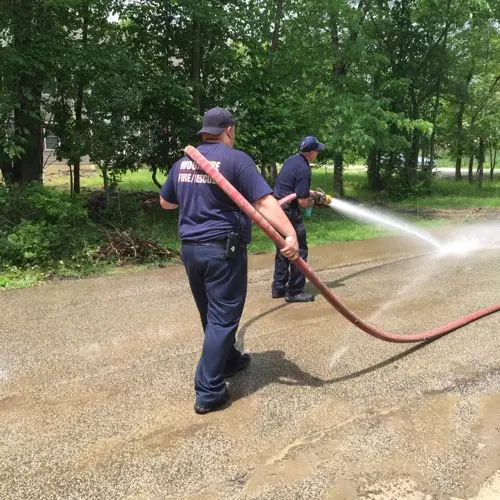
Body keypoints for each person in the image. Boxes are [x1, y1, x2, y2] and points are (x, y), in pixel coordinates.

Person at [159, 107, 299, 415]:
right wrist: (290, 234)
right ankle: (208, 390)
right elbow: (264, 202)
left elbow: (166, 202)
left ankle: (229, 359)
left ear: (204, 133)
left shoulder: (183, 162)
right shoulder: (237, 160)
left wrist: (195, 194)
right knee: (223, 317)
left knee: (210, 313)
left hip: (191, 250)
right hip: (223, 250)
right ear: (230, 131)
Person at [271, 136, 325, 303]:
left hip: (276, 208)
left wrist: (313, 194)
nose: (317, 153)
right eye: (317, 151)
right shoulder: (304, 169)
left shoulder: (292, 160)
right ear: (311, 153)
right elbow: (301, 202)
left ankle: (278, 288)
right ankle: (294, 291)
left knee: (283, 247)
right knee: (299, 248)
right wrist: (313, 202)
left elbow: (295, 189)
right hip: (289, 211)